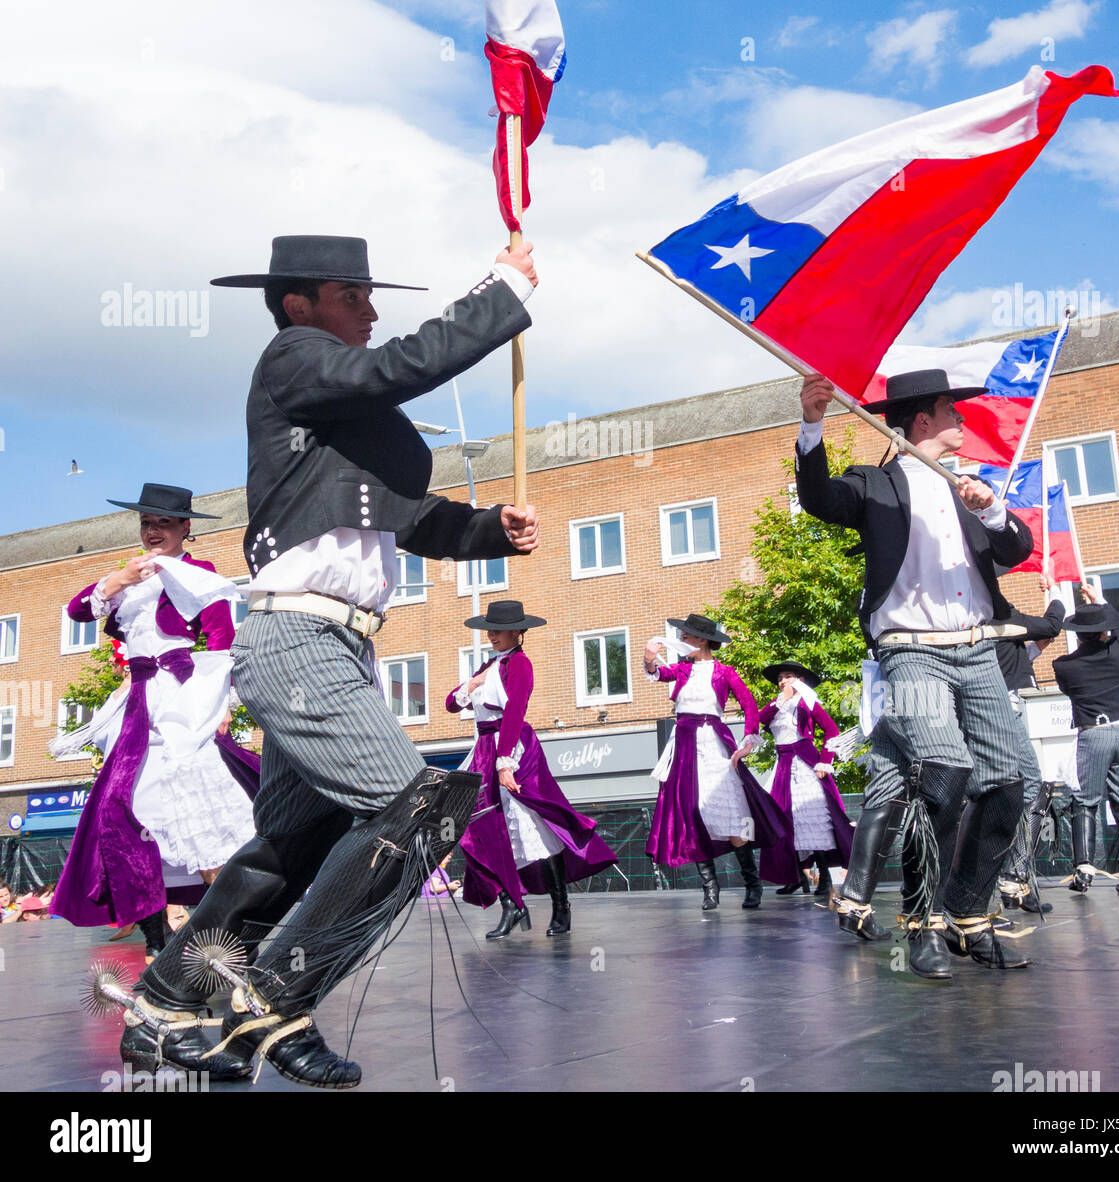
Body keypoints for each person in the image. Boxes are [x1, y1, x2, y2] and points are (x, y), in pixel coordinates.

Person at [121, 233, 541, 1089]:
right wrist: (499, 293)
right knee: (415, 809)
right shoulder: (293, 357)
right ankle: (273, 1004)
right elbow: (397, 367)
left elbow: (409, 518)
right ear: (298, 302)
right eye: (355, 293)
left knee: (287, 848)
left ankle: (166, 1004)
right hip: (297, 637)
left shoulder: (345, 411)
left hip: (335, 643)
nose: (372, 309)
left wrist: (489, 528)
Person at [796, 370, 1035, 981]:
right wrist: (813, 423)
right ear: (922, 422)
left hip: (978, 649)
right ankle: (921, 922)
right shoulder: (875, 485)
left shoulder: (969, 488)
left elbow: (1015, 552)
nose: (962, 420)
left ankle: (967, 916)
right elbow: (820, 498)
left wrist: (996, 510)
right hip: (912, 651)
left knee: (1010, 781)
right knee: (944, 774)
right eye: (951, 411)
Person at [50, 485, 258, 963]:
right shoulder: (127, 577)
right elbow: (78, 609)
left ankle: (223, 935)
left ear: (186, 527)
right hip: (140, 704)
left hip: (184, 696)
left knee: (205, 809)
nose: (152, 531)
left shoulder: (200, 575)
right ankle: (157, 937)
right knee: (124, 814)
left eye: (162, 523)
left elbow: (222, 640)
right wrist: (119, 579)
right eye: (146, 522)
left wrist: (221, 702)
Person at [449, 600, 618, 938]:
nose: (492, 635)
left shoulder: (520, 665)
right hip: (483, 750)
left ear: (517, 631)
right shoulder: (487, 665)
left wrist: (505, 762)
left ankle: (561, 905)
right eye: (489, 630)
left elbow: (514, 712)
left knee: (534, 826)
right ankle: (512, 905)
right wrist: (470, 686)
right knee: (486, 830)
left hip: (510, 748)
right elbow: (452, 704)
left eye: (497, 630)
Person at [644, 614, 787, 910]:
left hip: (713, 741)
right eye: (681, 636)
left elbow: (748, 704)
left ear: (702, 640)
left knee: (732, 813)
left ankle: (752, 883)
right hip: (683, 743)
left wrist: (749, 741)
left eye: (686, 637)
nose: (681, 641)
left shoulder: (725, 671)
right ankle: (710, 887)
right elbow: (658, 673)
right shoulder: (681, 669)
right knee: (691, 812)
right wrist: (649, 658)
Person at [1053, 585, 1119, 895]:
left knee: (1086, 803)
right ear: (1104, 632)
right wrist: (1101, 602)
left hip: (1094, 735)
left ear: (1078, 635)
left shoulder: (1064, 666)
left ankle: (1083, 871)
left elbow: (1069, 691)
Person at [993, 582, 1065, 916]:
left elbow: (1036, 644)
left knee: (997, 789)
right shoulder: (1005, 620)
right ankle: (1014, 877)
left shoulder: (977, 628)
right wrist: (1056, 594)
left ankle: (1008, 881)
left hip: (987, 710)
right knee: (1033, 786)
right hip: (1006, 710)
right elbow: (1051, 625)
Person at [756, 661, 854, 899]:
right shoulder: (775, 706)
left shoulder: (807, 702)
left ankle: (825, 877)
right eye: (780, 678)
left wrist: (825, 761)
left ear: (799, 679)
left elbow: (831, 730)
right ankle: (796, 878)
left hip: (805, 762)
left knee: (812, 818)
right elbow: (761, 718)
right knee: (784, 820)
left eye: (788, 676)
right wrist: (781, 699)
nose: (782, 681)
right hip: (783, 766)